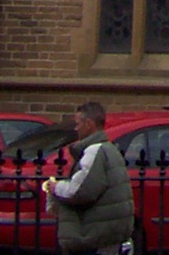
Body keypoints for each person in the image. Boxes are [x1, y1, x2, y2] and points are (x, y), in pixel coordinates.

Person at [40, 102, 133, 255]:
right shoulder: (110, 149)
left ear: (89, 124)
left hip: (95, 236)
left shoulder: (94, 151)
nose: (76, 129)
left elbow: (80, 190)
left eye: (78, 124)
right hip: (109, 234)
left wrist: (55, 187)